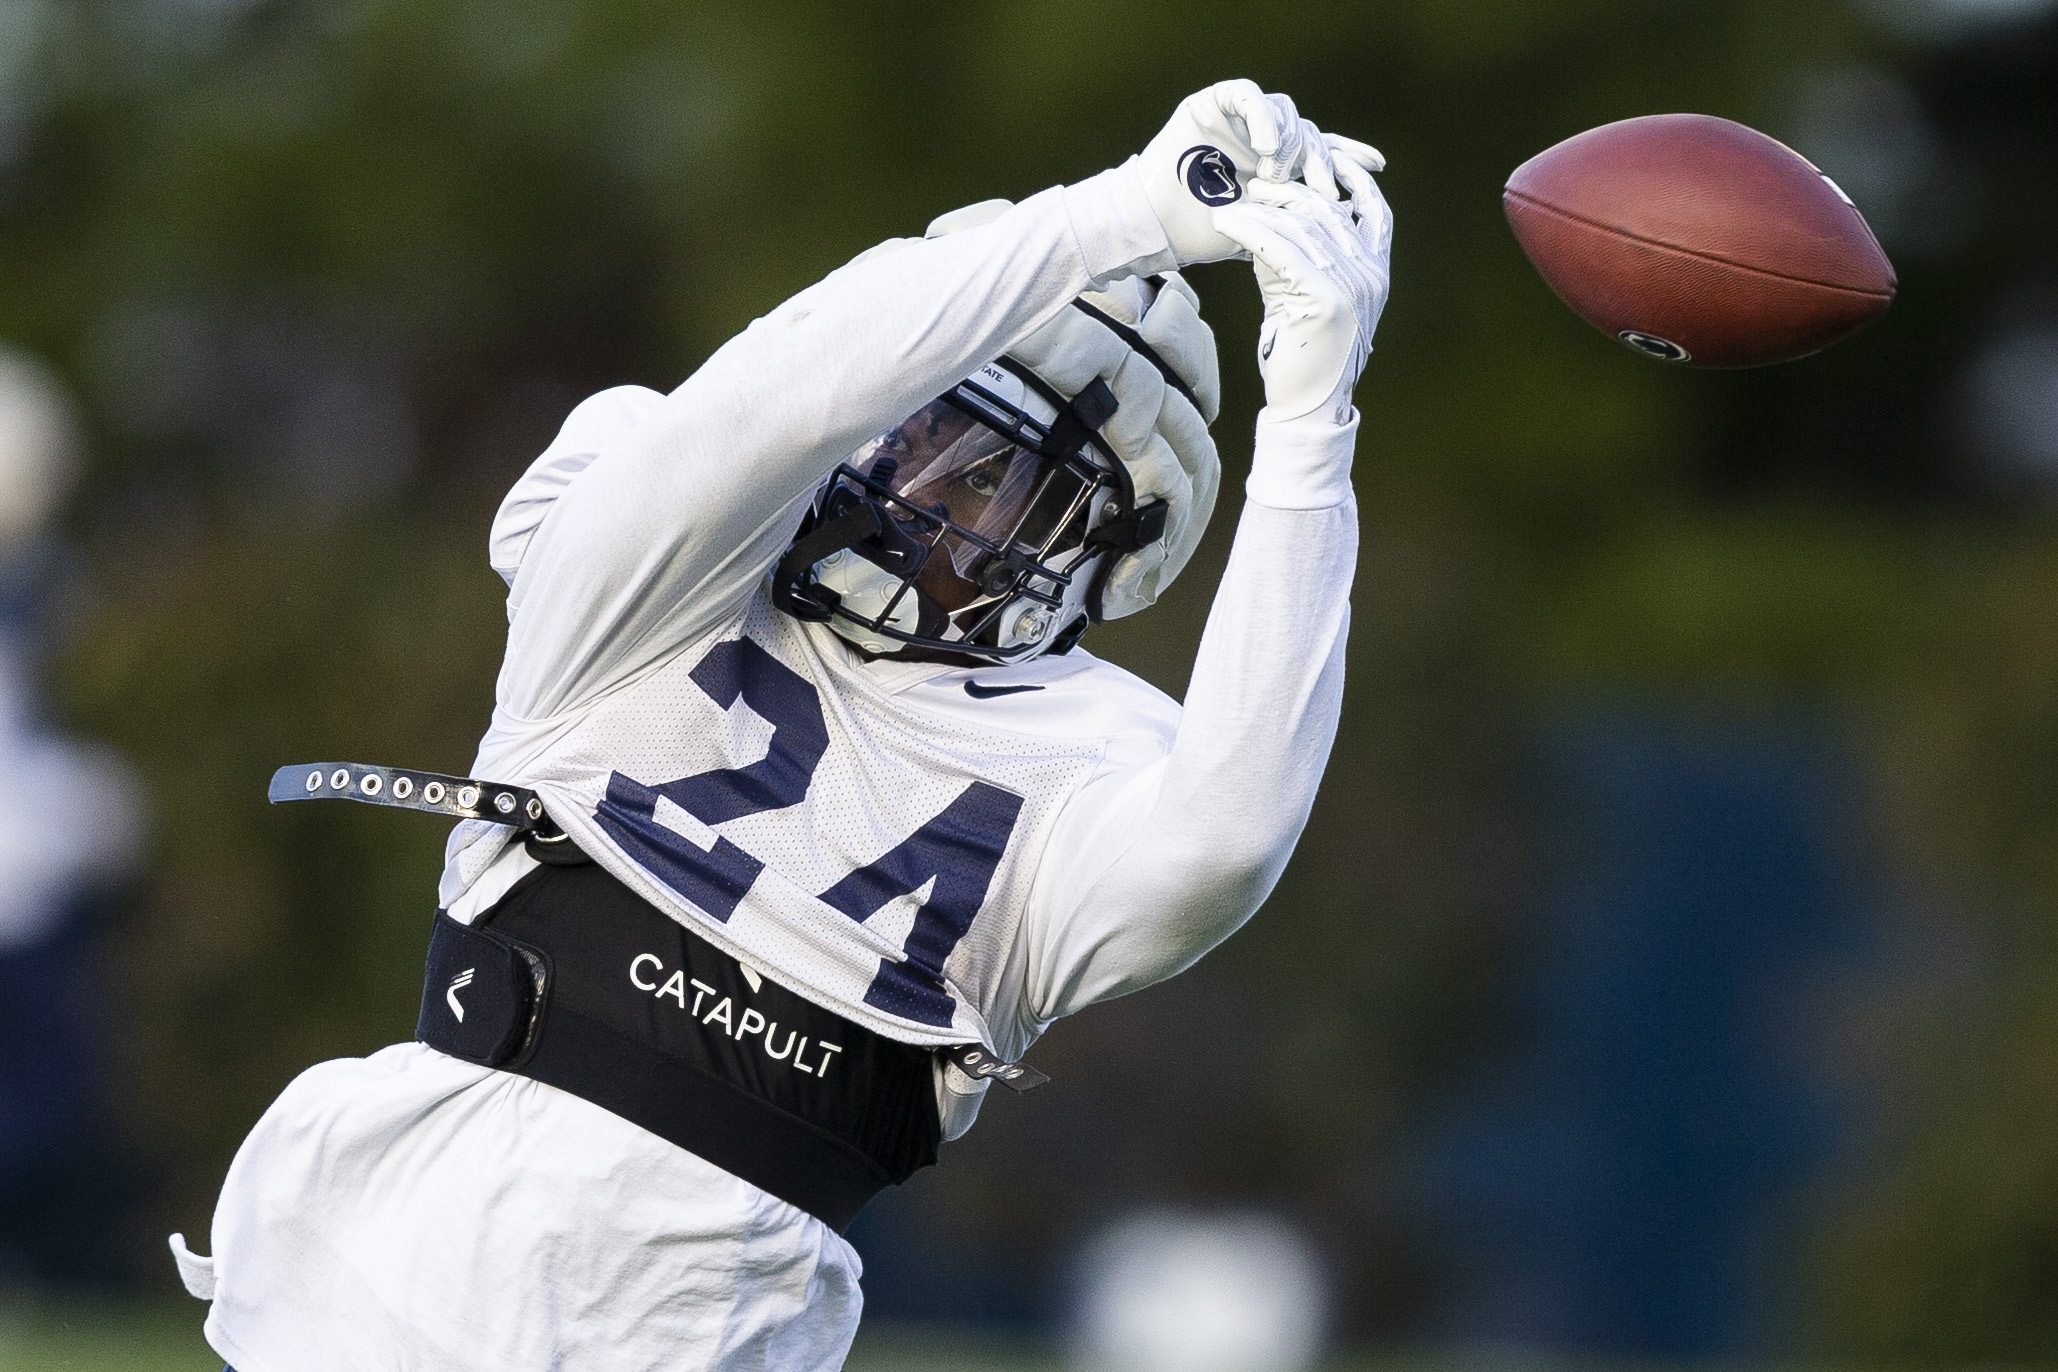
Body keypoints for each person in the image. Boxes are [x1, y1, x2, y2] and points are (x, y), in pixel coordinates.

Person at [169, 79, 1392, 1371]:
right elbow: (786, 400)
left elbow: (1228, 834)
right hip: (393, 1255)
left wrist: (1313, 422)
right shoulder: (654, 564)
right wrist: (1117, 215)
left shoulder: (1095, 757)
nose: (917, 481)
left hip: (702, 1334)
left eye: (987, 477)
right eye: (918, 425)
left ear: (1105, 551)